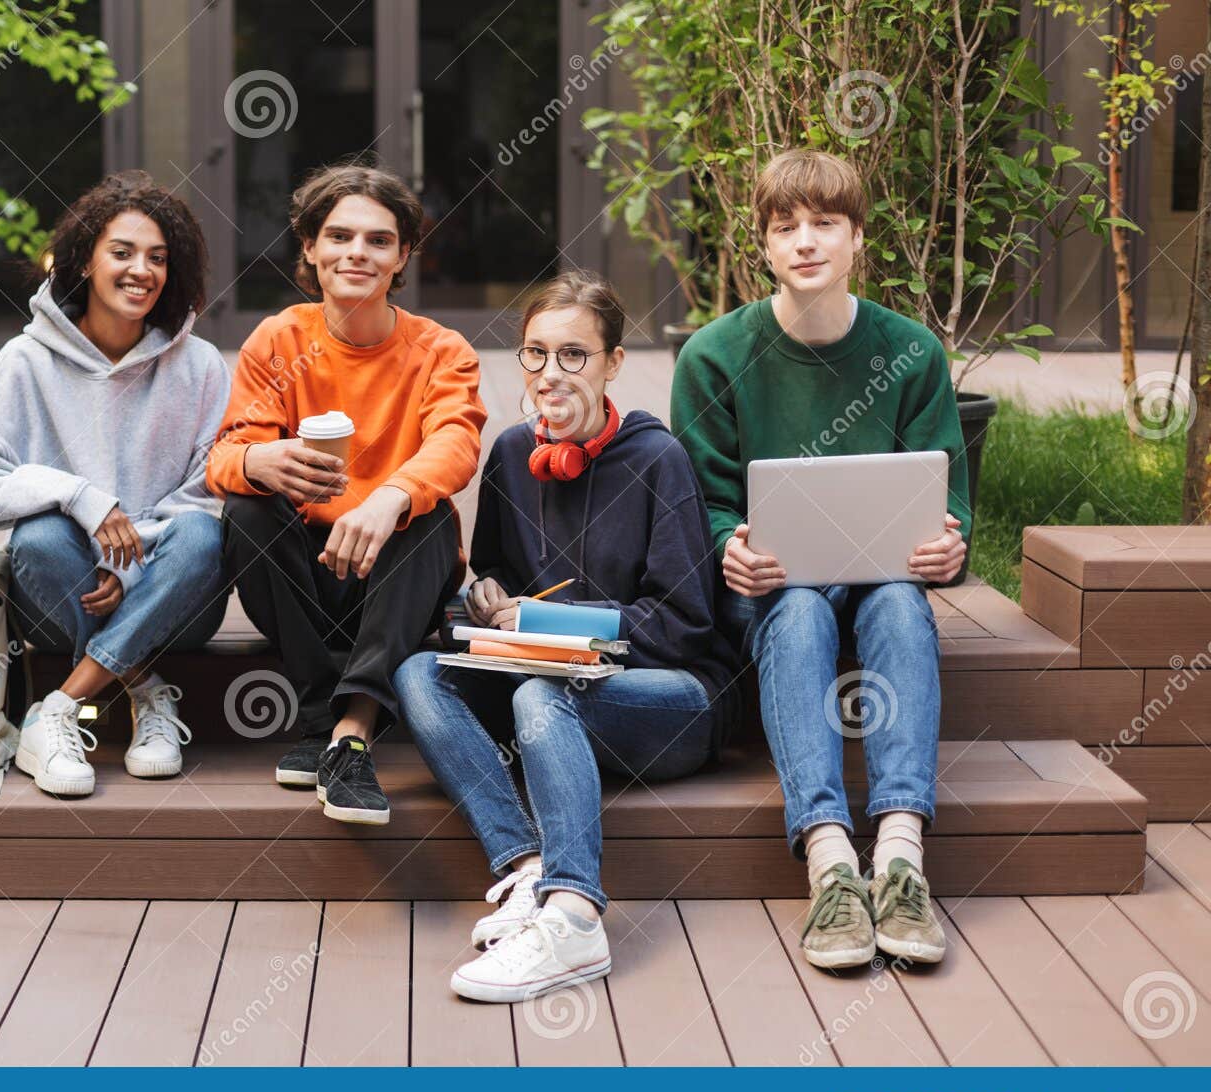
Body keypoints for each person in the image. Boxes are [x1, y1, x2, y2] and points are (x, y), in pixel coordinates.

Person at [393, 271, 739, 1002]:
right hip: (540, 688)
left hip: (668, 701)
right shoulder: (515, 456)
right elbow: (492, 582)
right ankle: (524, 868)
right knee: (420, 675)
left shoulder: (658, 459)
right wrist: (481, 599)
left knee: (545, 692)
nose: (551, 374)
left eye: (574, 355)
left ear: (614, 362)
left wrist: (550, 623)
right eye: (535, 353)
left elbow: (684, 626)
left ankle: (575, 912)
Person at [672, 149, 971, 969]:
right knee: (798, 603)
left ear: (856, 239)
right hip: (770, 589)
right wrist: (727, 543)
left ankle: (902, 854)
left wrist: (949, 544)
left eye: (825, 224)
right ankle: (832, 860)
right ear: (763, 246)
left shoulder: (910, 353)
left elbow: (951, 496)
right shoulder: (714, 355)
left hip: (880, 576)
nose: (805, 241)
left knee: (902, 601)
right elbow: (702, 503)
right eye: (784, 226)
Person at [207, 162, 486, 827]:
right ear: (309, 247)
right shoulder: (279, 340)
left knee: (430, 518)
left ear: (402, 257)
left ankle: (349, 732)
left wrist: (392, 494)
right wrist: (257, 457)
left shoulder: (440, 351)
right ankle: (318, 706)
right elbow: (222, 459)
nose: (357, 252)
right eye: (338, 236)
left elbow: (456, 441)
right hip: (304, 576)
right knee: (245, 507)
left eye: (379, 240)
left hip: (392, 579)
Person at [0, 171, 230, 798]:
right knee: (41, 537)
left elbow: (211, 486)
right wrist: (81, 498)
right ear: (85, 261)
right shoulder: (26, 360)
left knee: (204, 536)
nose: (140, 270)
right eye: (121, 253)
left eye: (157, 257)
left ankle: (59, 709)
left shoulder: (200, 365)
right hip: (63, 593)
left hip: (172, 594)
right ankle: (146, 691)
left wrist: (129, 562)